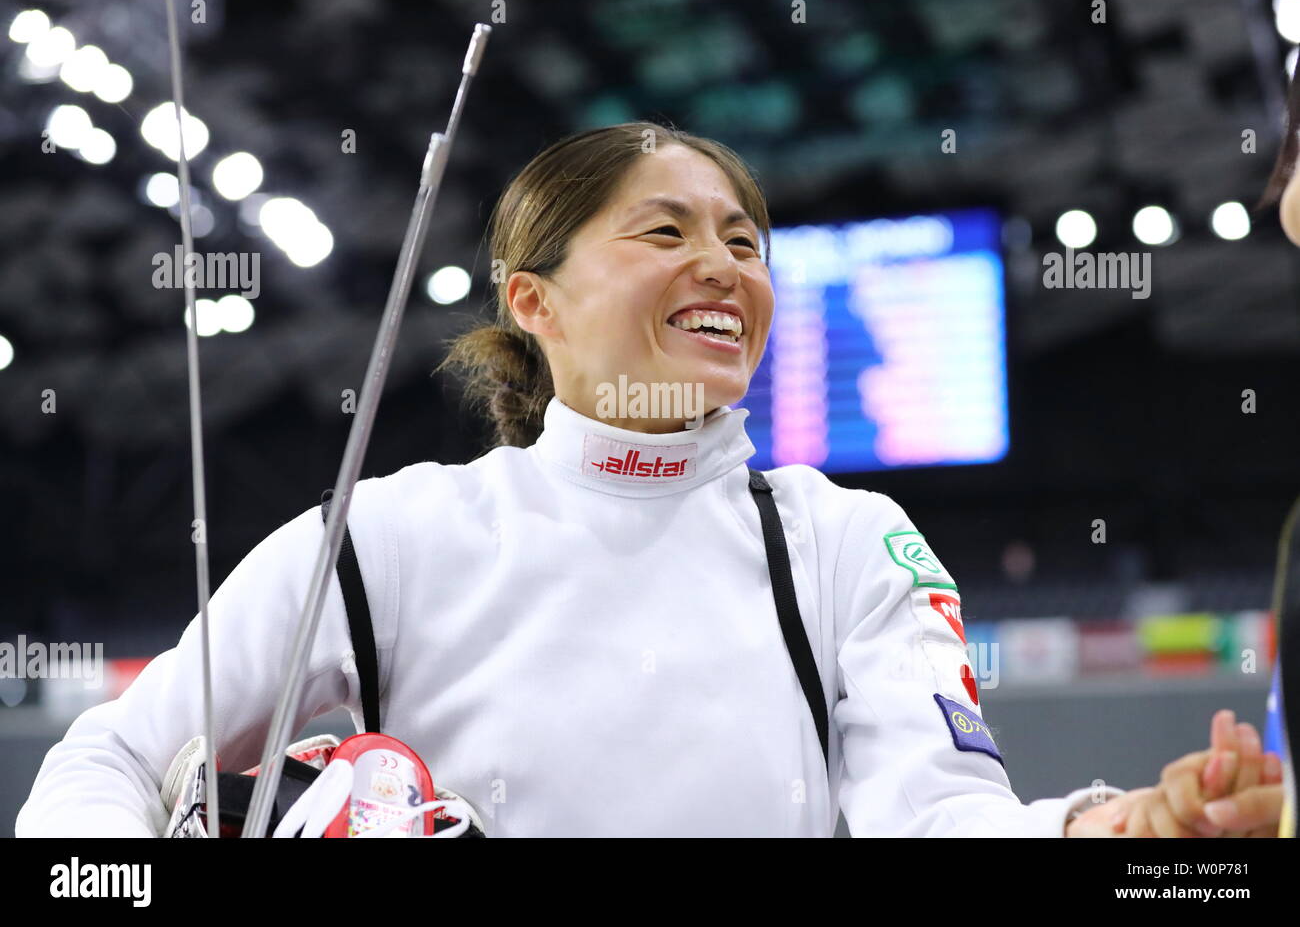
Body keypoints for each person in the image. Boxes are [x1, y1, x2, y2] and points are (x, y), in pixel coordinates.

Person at [15, 122, 1283, 837]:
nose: (723, 265)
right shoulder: (382, 536)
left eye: (743, 240)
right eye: (665, 232)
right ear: (534, 301)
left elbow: (938, 815)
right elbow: (106, 763)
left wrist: (1121, 834)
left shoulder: (845, 540)